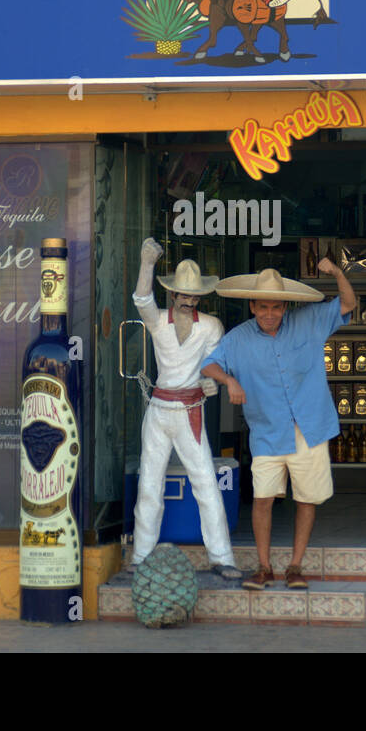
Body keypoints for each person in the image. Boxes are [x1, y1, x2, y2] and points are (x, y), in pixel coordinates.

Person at [201, 258, 354, 589]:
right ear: (252, 306)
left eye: (276, 307)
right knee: (262, 498)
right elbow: (208, 366)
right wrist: (230, 382)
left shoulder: (309, 320)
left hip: (309, 427)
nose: (270, 314)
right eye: (263, 307)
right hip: (268, 431)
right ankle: (264, 567)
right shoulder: (238, 339)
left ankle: (295, 566)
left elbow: (348, 304)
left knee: (306, 498)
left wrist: (338, 274)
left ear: (285, 306)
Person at [130, 238, 241, 580]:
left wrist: (212, 385)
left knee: (206, 482)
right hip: (160, 409)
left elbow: (213, 365)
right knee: (149, 482)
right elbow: (141, 299)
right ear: (174, 293)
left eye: (194, 295)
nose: (188, 299)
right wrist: (147, 263)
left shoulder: (210, 326)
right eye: (183, 293)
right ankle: (140, 556)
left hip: (190, 409)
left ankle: (222, 557)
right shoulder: (157, 320)